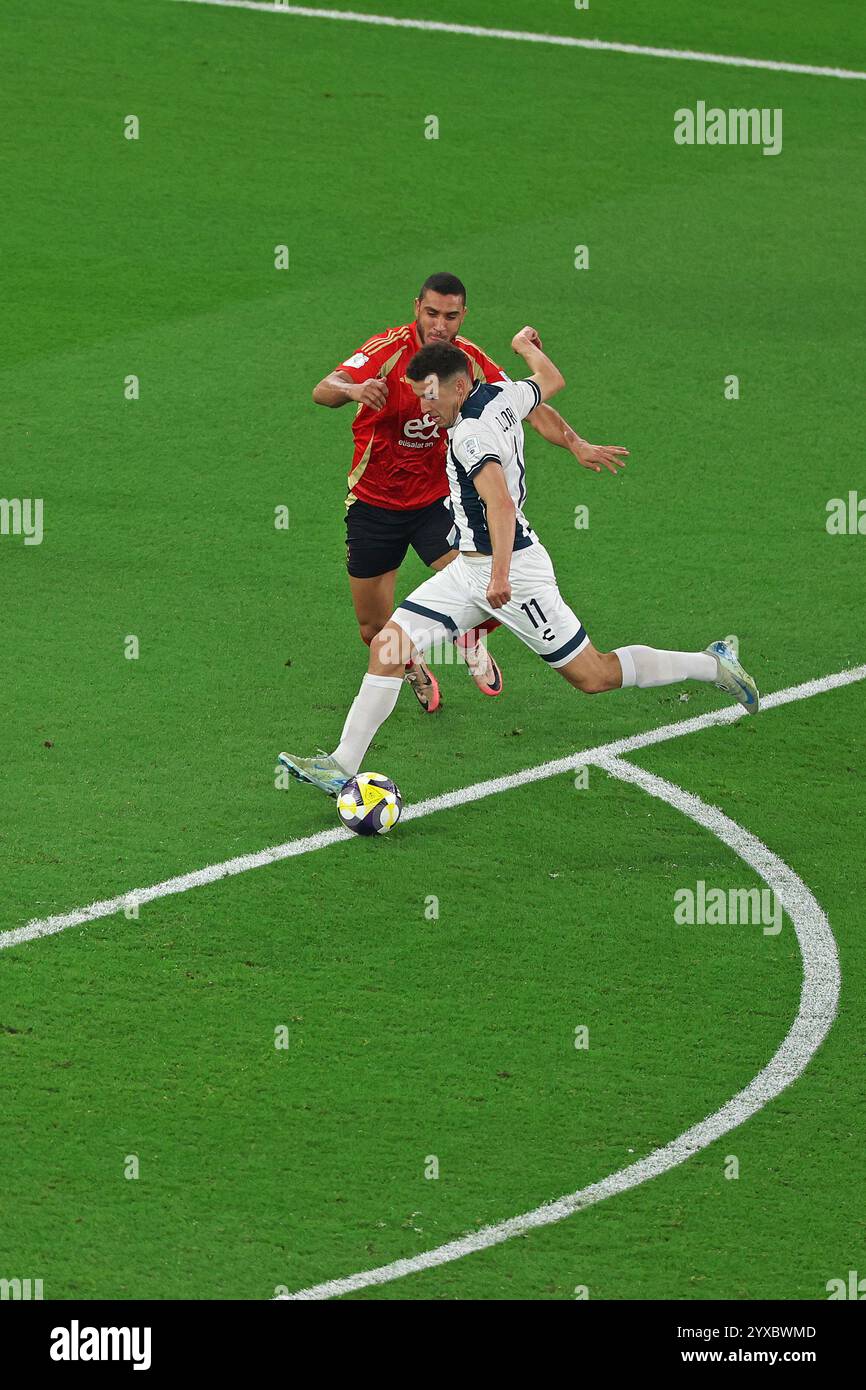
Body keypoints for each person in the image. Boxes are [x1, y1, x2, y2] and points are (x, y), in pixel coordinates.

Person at [279, 329, 758, 798]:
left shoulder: (468, 434)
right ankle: (341, 765)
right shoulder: (502, 395)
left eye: (430, 396)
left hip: (514, 572)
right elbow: (549, 381)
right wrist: (527, 350)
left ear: (461, 386)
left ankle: (711, 665)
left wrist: (502, 576)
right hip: (467, 571)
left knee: (594, 676)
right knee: (387, 645)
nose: (424, 410)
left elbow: (501, 506)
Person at [313, 272, 628, 711]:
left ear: (463, 316)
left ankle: (470, 639)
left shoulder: (469, 363)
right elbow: (322, 389)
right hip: (375, 504)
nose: (440, 325)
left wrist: (575, 443)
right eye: (432, 313)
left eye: (451, 316)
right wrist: (353, 390)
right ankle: (413, 664)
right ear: (416, 309)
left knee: (483, 584)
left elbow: (525, 403)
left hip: (437, 503)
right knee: (372, 629)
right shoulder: (386, 351)